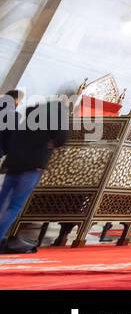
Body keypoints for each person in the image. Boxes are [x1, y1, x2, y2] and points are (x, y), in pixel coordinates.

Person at [1, 93, 69, 253]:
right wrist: (48, 145)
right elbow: (61, 138)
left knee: (2, 202)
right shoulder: (58, 114)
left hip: (14, 164)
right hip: (32, 164)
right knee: (14, 206)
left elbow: (14, 139)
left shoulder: (30, 115)